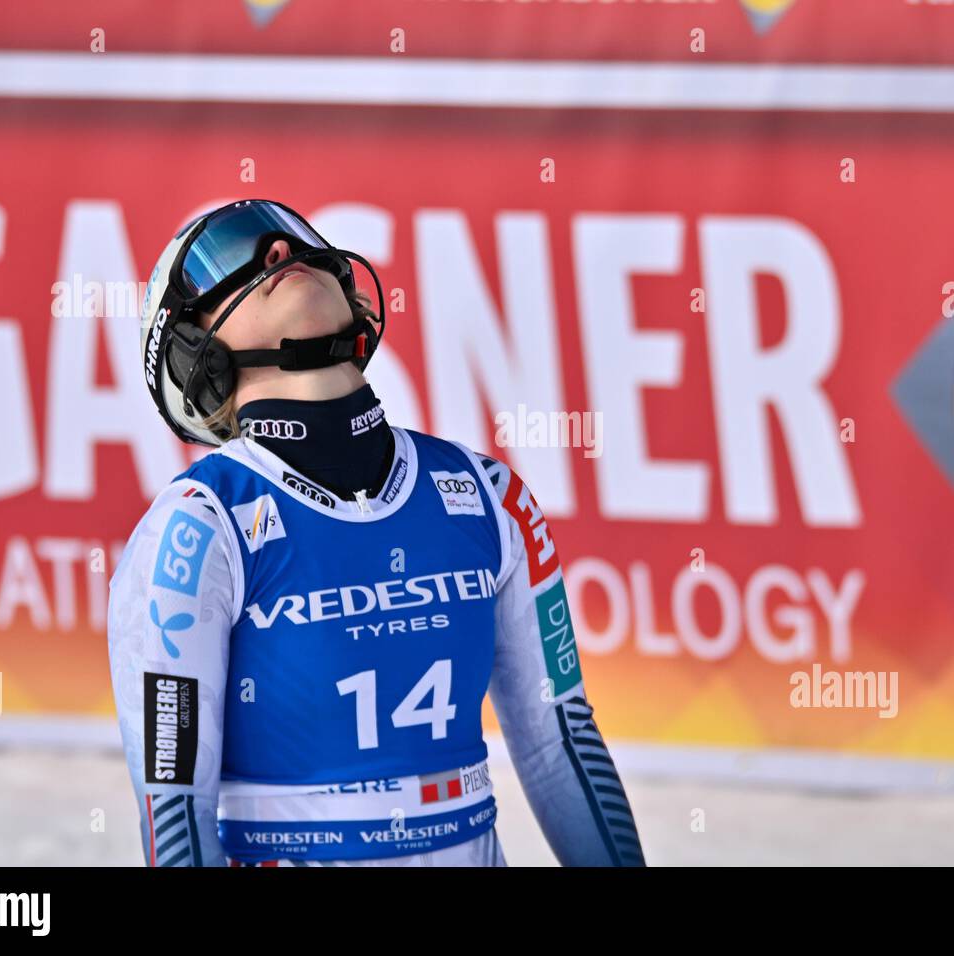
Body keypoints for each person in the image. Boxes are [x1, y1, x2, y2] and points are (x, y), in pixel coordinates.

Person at [107, 200, 644, 866]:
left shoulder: (489, 496)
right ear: (193, 349)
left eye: (298, 239)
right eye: (227, 253)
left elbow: (557, 741)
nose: (279, 249)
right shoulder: (196, 528)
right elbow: (176, 811)